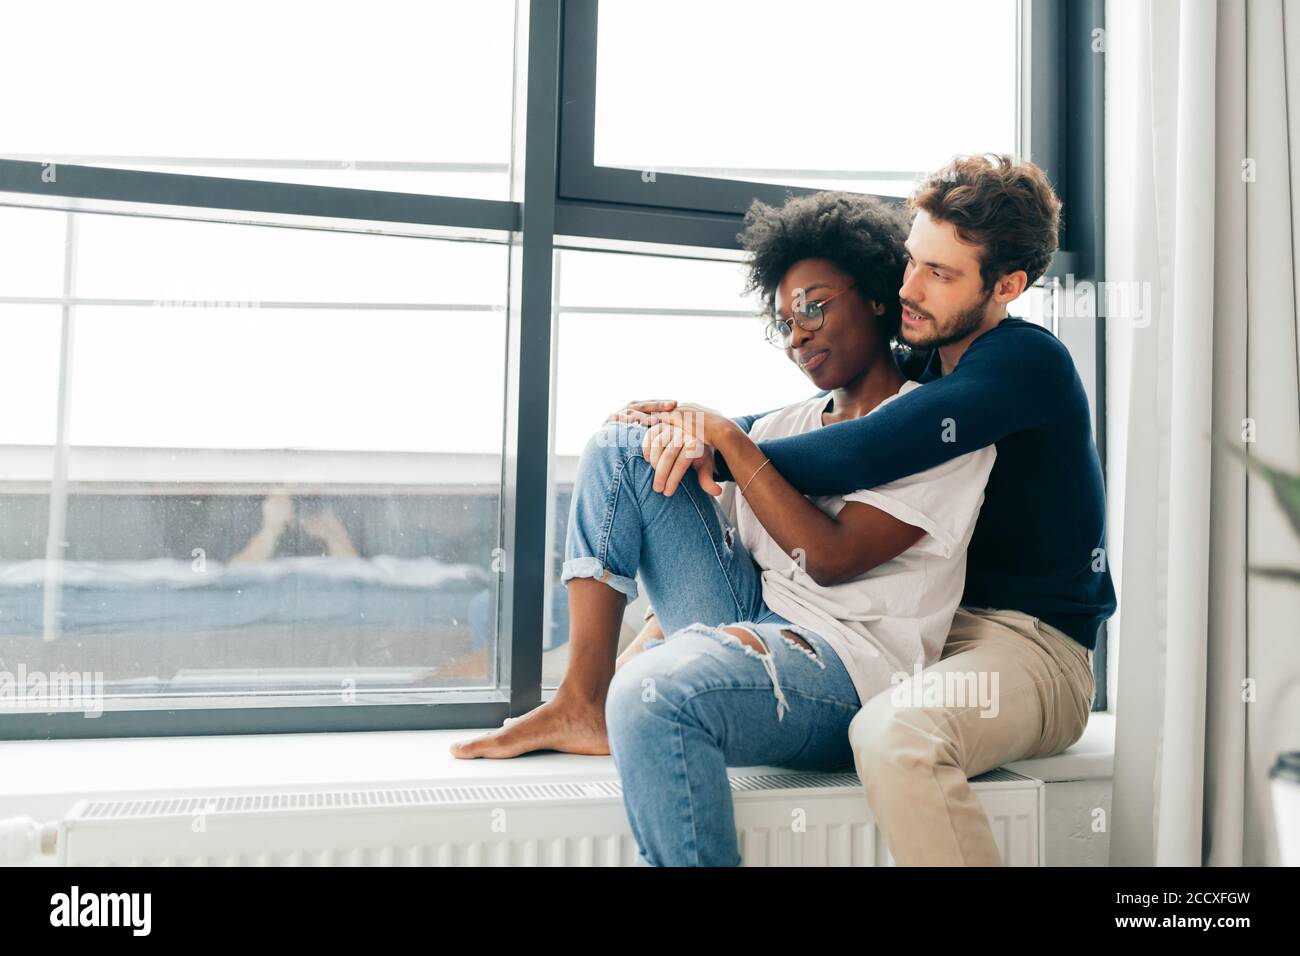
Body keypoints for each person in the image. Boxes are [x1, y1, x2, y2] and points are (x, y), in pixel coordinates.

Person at [451, 191, 996, 867]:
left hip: (848, 675)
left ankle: (619, 700)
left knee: (654, 699)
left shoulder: (941, 433)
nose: (797, 334)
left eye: (814, 307)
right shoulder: (784, 427)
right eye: (785, 322)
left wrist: (735, 444)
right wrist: (648, 645)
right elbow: (715, 557)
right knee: (628, 443)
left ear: (879, 298)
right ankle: (579, 699)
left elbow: (829, 558)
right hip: (755, 621)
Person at [620, 154, 1116, 866]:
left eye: (941, 275)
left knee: (894, 736)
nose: (909, 288)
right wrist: (702, 432)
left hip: (1029, 648)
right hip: (919, 628)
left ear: (1006, 285)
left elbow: (859, 450)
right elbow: (795, 428)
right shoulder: (922, 361)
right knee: (672, 645)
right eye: (912, 261)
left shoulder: (1024, 364)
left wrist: (725, 443)